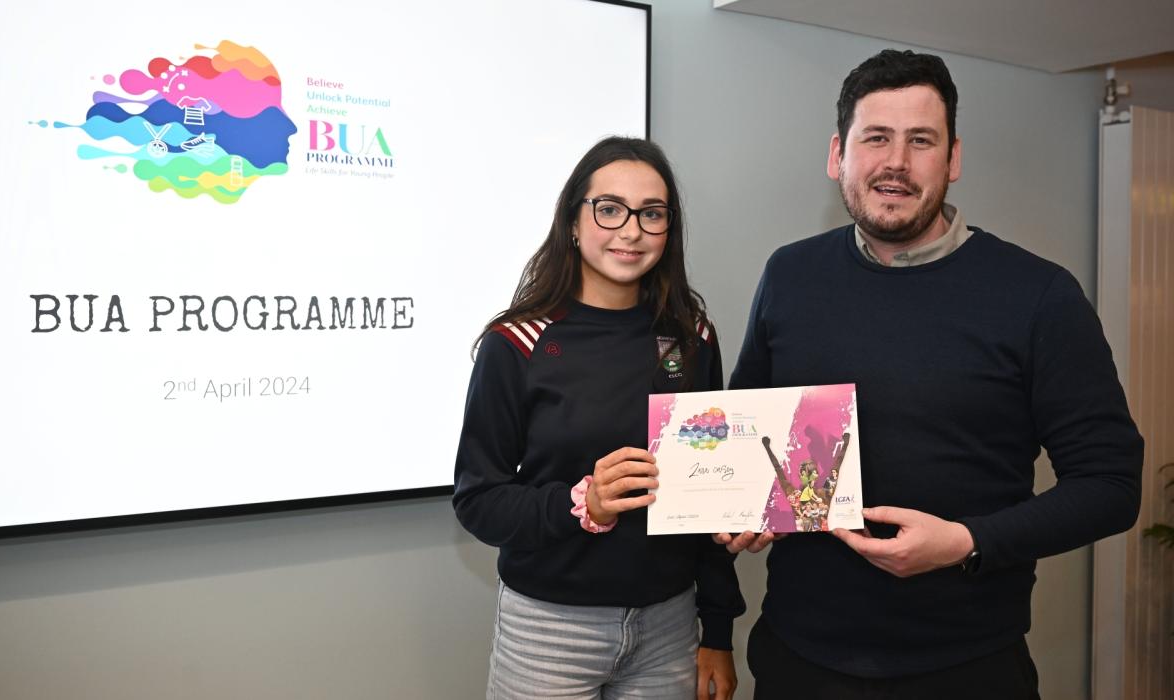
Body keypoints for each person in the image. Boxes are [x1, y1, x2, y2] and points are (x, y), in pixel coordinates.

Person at [719, 49, 1143, 699]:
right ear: (839, 154)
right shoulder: (791, 274)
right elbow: (751, 432)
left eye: (921, 141)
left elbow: (1112, 483)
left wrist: (967, 542)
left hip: (966, 667)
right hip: (796, 659)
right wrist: (744, 500)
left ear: (953, 160)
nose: (896, 161)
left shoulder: (1039, 295)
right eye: (876, 138)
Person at [454, 136, 744, 699]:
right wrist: (579, 504)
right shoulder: (515, 342)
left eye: (652, 214)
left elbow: (709, 499)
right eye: (609, 209)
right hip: (549, 628)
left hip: (669, 626)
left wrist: (720, 630)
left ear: (670, 228)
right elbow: (477, 500)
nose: (631, 230)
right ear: (572, 220)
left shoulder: (693, 337)